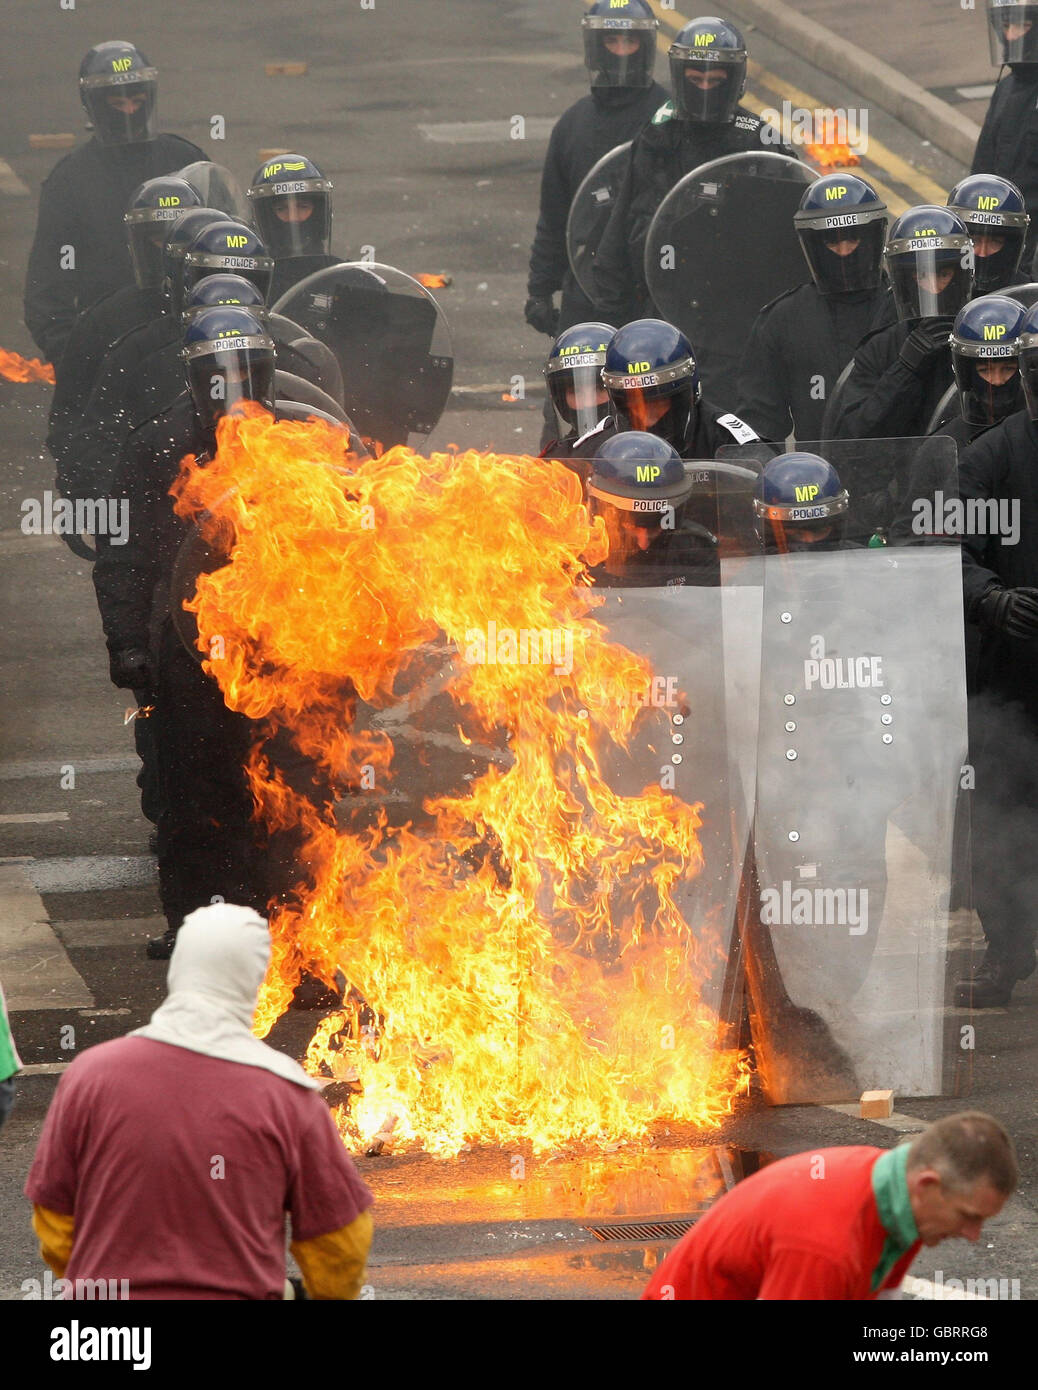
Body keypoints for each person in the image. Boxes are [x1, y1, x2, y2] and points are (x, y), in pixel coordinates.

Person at [25, 903, 374, 1300]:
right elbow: (338, 1243)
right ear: (256, 982)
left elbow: (54, 1216)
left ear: (179, 970)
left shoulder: (89, 1075)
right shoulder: (287, 1096)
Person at [92, 307, 279, 959]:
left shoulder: (302, 442)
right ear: (196, 382)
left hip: (281, 647)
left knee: (288, 798)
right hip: (185, 648)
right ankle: (196, 927)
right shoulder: (155, 446)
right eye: (219, 378)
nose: (234, 391)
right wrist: (129, 642)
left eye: (247, 373)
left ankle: (297, 940)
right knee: (190, 796)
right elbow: (126, 556)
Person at [643, 1112, 1016, 1299]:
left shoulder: (903, 1201)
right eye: (969, 1217)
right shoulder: (824, 1248)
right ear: (928, 1185)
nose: (973, 1235)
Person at [593, 16, 795, 327]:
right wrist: (612, 319)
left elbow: (785, 247)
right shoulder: (657, 137)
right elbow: (619, 230)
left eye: (714, 82)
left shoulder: (759, 144)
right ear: (679, 77)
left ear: (734, 79)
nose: (703, 90)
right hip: (663, 307)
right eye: (694, 80)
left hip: (735, 319)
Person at [955, 295, 1038, 1006]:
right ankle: (1008, 950)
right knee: (999, 815)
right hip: (1011, 674)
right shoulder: (991, 456)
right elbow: (952, 553)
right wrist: (992, 599)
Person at [23, 41, 204, 366]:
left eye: (137, 100)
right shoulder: (70, 179)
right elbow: (48, 287)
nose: (130, 111)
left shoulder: (186, 159)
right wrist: (71, 357)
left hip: (187, 336)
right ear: (93, 104)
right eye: (118, 102)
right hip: (109, 343)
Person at [46, 175, 203, 493]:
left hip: (221, 479)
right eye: (159, 238)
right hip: (142, 487)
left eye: (181, 239)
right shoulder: (104, 321)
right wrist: (100, 495)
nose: (170, 252)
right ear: (137, 241)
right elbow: (71, 421)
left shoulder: (233, 312)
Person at [524, 0, 667, 343]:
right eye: (611, 41)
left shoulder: (671, 118)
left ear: (645, 47)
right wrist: (541, 288)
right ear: (595, 48)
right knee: (572, 393)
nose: (620, 52)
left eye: (629, 42)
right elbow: (556, 215)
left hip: (650, 291)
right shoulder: (573, 124)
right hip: (586, 288)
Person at [736, 174, 890, 446]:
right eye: (832, 242)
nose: (844, 252)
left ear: (873, 236)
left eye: (852, 239)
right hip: (818, 480)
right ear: (812, 246)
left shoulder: (905, 311)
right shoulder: (782, 320)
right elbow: (759, 425)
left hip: (903, 476)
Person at [828, 206, 975, 440]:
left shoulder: (983, 334)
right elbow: (853, 438)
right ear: (905, 279)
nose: (934, 288)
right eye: (922, 276)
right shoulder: (883, 347)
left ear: (960, 275)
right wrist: (905, 368)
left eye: (943, 274)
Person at [590, 317, 762, 460]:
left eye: (657, 402)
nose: (647, 417)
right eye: (633, 405)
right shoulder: (594, 449)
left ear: (687, 394)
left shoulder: (730, 443)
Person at [586, 431, 719, 586]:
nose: (644, 545)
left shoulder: (693, 552)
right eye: (630, 528)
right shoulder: (568, 554)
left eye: (656, 529)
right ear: (600, 514)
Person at [972, 2, 1038, 268]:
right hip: (998, 248)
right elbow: (981, 171)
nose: (1012, 36)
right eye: (1006, 26)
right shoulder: (1007, 87)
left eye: (1023, 26)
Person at [247, 153, 342, 304]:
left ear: (320, 213)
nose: (293, 217)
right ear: (266, 218)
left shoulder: (349, 278)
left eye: (302, 207)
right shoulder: (251, 286)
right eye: (281, 208)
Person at [538, 320, 616, 473]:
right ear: (560, 399)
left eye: (599, 389)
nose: (587, 403)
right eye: (576, 391)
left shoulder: (649, 454)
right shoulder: (556, 461)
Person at [947, 173, 1030, 294]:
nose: (982, 253)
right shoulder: (931, 288)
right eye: (973, 241)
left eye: (995, 242)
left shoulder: (1029, 296)